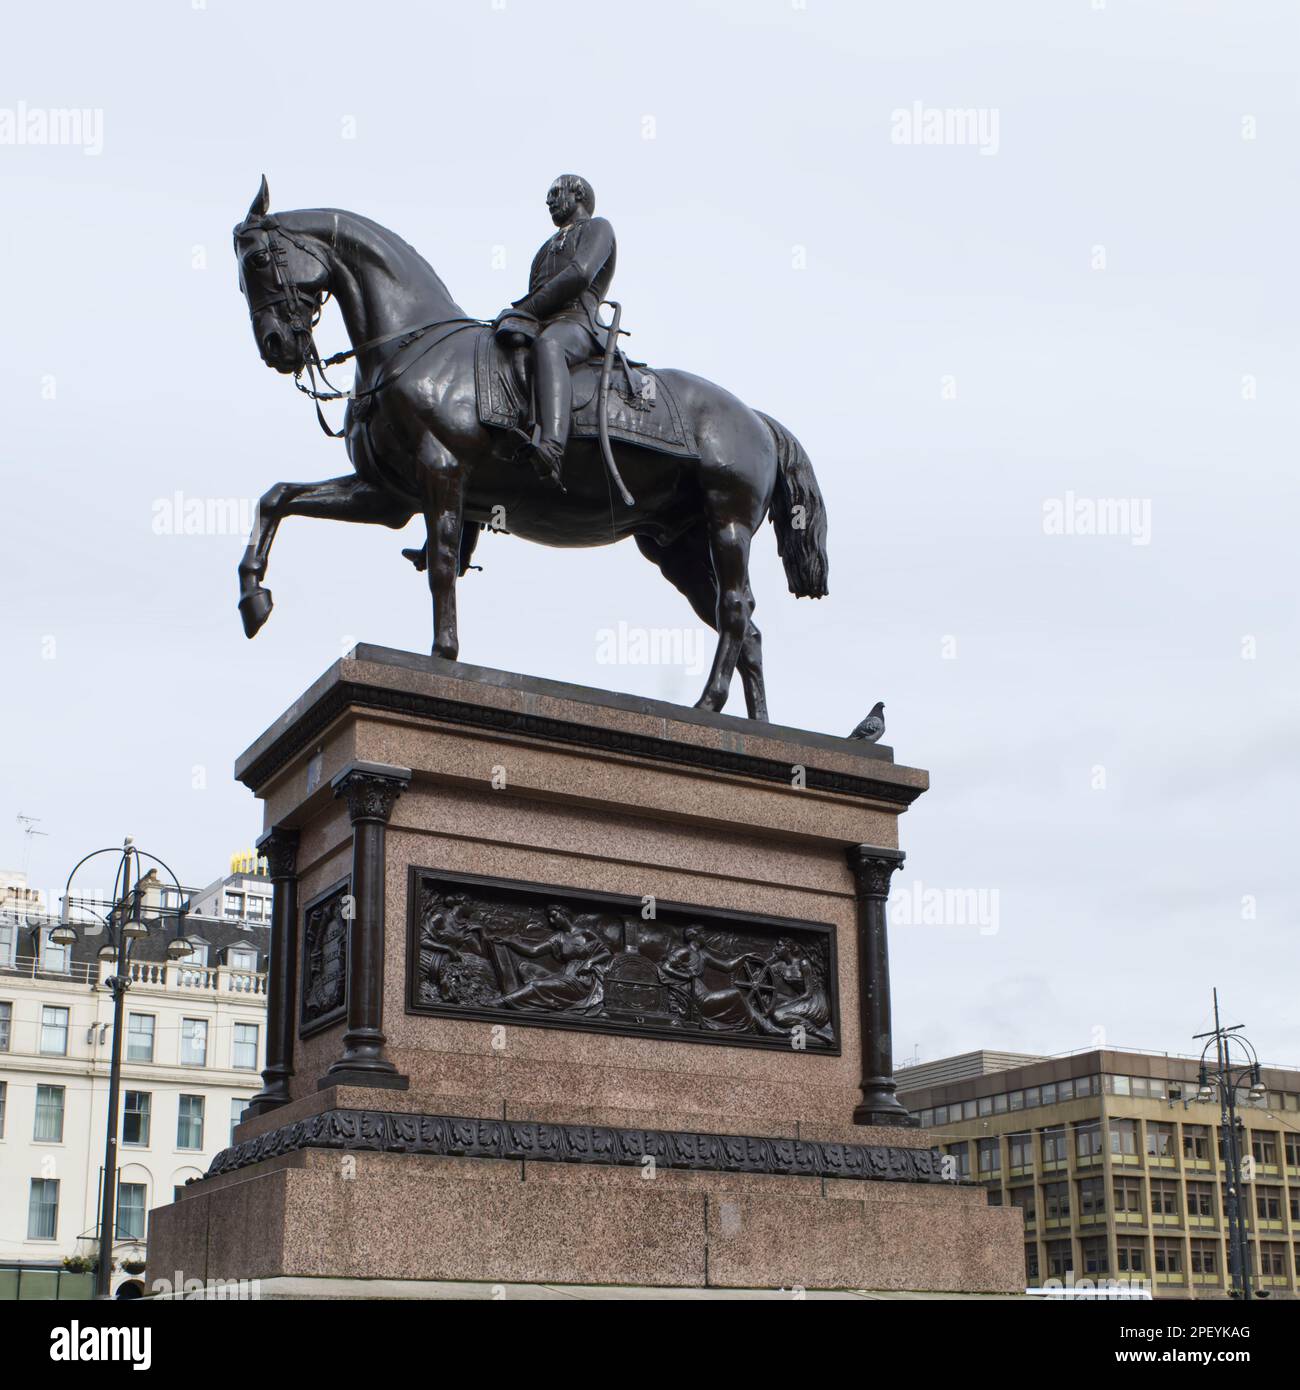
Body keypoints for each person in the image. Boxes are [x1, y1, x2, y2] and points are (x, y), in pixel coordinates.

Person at [493, 174, 616, 487]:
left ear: (577, 194)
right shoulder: (543, 250)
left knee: (550, 346)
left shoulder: (598, 228)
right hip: (540, 323)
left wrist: (525, 309)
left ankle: (552, 448)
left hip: (578, 324)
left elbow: (579, 274)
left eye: (554, 193)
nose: (548, 201)